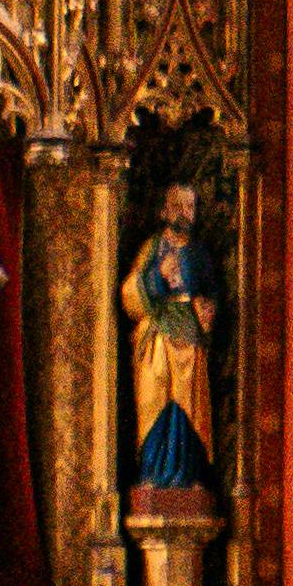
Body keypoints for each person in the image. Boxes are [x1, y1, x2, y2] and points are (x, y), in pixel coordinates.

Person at [120, 184, 220, 498]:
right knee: (155, 403)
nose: (184, 213)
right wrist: (158, 277)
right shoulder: (152, 248)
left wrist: (207, 309)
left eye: (190, 206)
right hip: (158, 336)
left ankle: (187, 476)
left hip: (189, 336)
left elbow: (212, 294)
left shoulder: (199, 253)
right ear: (164, 210)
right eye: (178, 206)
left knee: (187, 408)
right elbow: (130, 294)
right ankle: (152, 472)